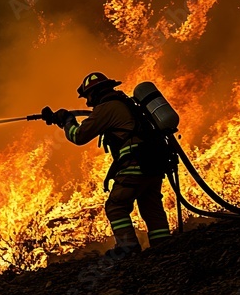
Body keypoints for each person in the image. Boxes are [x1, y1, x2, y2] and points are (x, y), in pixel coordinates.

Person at [44, 72, 172, 258]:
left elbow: (78, 136)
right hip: (153, 164)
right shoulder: (125, 104)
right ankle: (164, 247)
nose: (88, 102)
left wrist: (67, 121)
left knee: (116, 206)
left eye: (88, 96)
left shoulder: (107, 107)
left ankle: (128, 248)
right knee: (150, 206)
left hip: (135, 165)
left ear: (95, 92)